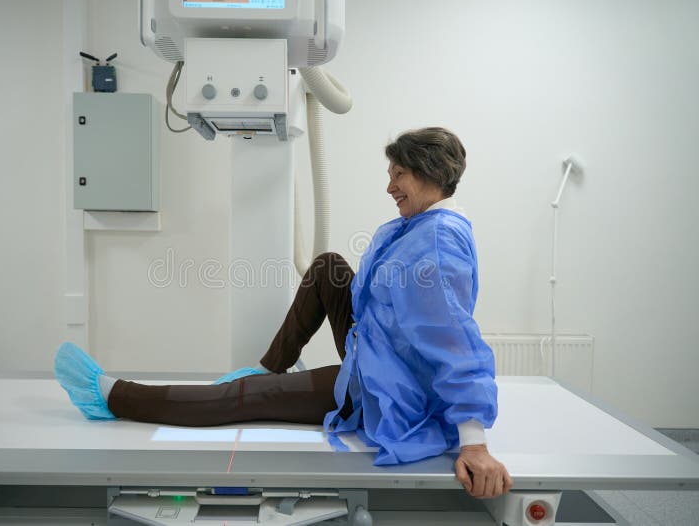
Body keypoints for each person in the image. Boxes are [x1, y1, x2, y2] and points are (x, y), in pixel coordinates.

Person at [55, 127, 512, 499]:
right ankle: (267, 364)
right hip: (379, 349)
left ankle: (117, 398)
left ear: (428, 171)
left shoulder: (434, 242)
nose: (389, 186)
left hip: (382, 387)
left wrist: (474, 442)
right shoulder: (424, 225)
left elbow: (451, 338)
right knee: (329, 267)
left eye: (398, 175)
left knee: (249, 397)